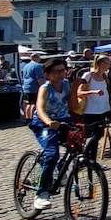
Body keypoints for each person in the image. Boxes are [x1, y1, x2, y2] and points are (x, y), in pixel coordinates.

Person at [29, 57, 73, 209]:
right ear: (47, 74)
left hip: (63, 120)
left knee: (77, 145)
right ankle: (41, 193)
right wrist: (49, 122)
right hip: (44, 123)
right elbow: (40, 109)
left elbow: (73, 104)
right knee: (52, 153)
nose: (60, 74)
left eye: (62, 71)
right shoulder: (45, 88)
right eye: (56, 72)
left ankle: (61, 169)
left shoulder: (66, 84)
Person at [77, 54, 111, 160]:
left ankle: (92, 160)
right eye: (108, 63)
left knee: (98, 135)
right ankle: (84, 155)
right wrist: (93, 92)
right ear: (102, 64)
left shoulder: (104, 76)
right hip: (91, 111)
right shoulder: (88, 76)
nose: (109, 66)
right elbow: (79, 92)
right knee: (93, 136)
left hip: (103, 109)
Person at [21, 52, 46, 120]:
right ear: (35, 58)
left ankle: (27, 118)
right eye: (38, 57)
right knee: (34, 103)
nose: (40, 59)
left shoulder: (26, 66)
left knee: (28, 104)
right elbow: (40, 78)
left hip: (26, 87)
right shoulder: (37, 66)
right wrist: (43, 87)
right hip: (34, 87)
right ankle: (32, 118)